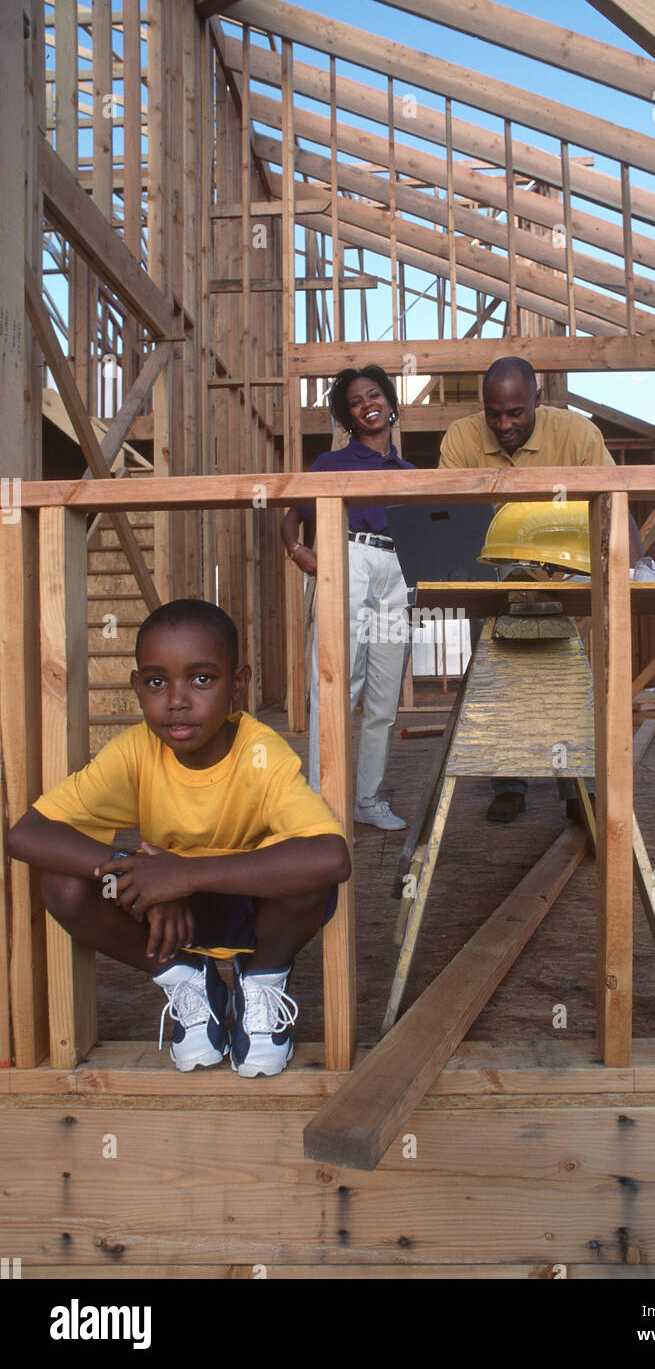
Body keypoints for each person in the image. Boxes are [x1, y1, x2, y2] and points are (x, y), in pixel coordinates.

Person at [6, 600, 351, 1078]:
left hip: (251, 907)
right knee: (62, 884)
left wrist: (183, 875)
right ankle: (189, 979)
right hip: (170, 919)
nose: (176, 700)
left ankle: (262, 981)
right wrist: (140, 875)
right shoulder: (134, 752)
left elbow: (332, 858)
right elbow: (27, 834)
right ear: (136, 687)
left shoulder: (260, 753)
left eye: (202, 679)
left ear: (238, 685)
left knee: (307, 875)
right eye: (156, 682)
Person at [439, 355, 638, 823]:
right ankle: (509, 785)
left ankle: (580, 792)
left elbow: (614, 500)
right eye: (494, 413)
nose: (503, 424)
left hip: (562, 578)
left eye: (516, 413)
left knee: (566, 685)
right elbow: (445, 515)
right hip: (489, 579)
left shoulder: (578, 435)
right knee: (496, 684)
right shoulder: (460, 439)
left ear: (538, 401)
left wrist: (631, 563)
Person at [281, 366, 414, 832]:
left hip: (397, 570)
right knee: (339, 684)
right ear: (348, 416)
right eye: (356, 402)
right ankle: (322, 802)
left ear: (390, 402)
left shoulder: (408, 473)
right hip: (350, 558)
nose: (367, 405)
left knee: (383, 699)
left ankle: (366, 800)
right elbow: (288, 520)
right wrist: (301, 554)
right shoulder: (329, 464)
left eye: (374, 395)